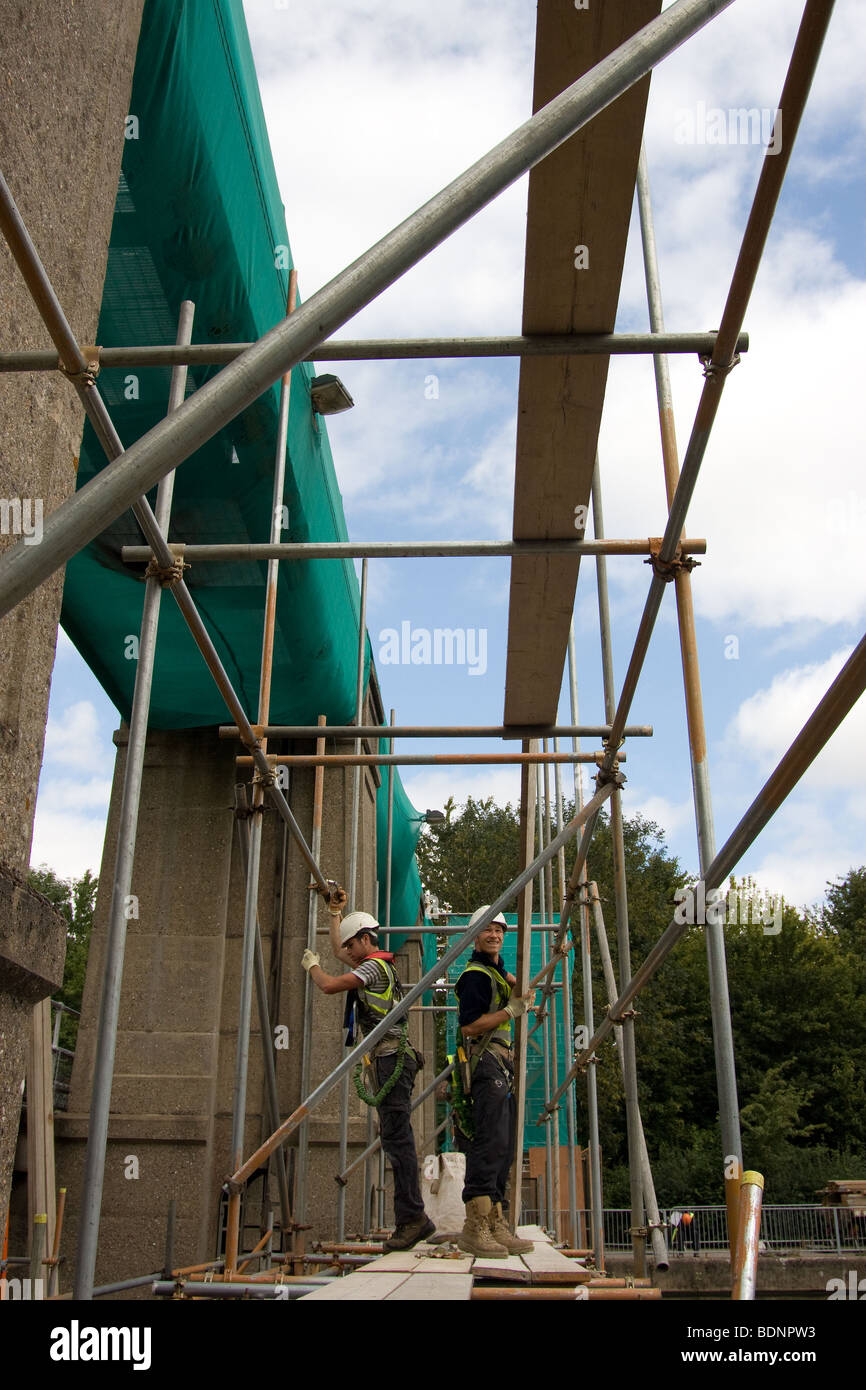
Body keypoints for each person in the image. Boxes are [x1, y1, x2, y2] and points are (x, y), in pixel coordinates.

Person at [301, 897, 434, 1252]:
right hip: (390, 1058)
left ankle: (413, 1219)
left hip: (392, 1059)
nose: (345, 949)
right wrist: (334, 915)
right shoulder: (371, 963)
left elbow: (329, 984)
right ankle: (413, 1217)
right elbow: (338, 951)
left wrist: (312, 967)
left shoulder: (372, 969)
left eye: (350, 942)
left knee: (399, 1139)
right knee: (394, 1137)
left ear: (364, 938)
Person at [453, 905, 535, 1257]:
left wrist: (514, 983)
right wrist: (509, 1012)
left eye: (500, 930)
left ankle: (495, 1220)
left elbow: (511, 984)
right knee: (489, 1142)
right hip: (485, 1061)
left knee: (503, 1144)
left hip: (500, 1062)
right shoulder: (476, 976)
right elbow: (469, 1026)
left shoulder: (494, 972)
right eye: (488, 930)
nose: (495, 935)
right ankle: (476, 1226)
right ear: (476, 935)